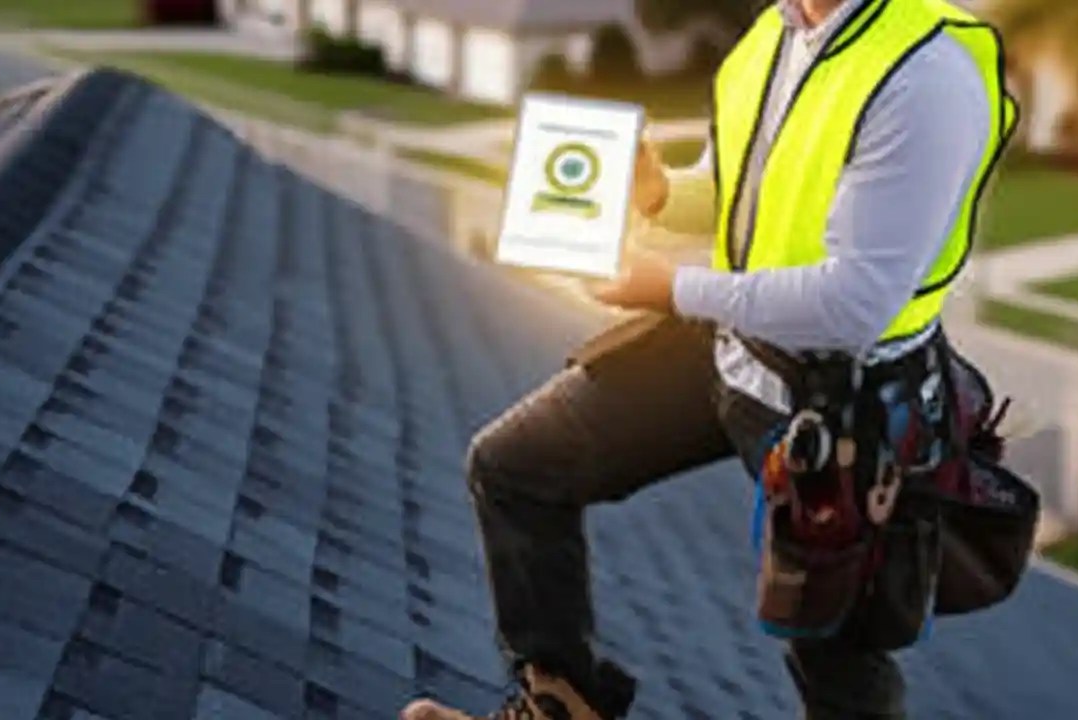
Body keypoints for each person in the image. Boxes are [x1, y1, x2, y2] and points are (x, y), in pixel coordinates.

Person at [402, 0, 1018, 717]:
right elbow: (739, 190)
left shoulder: (928, 75)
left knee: (832, 648)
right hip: (732, 349)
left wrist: (672, 288)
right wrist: (662, 195)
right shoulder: (776, 33)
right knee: (514, 467)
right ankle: (558, 705)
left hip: (846, 402)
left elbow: (856, 304)